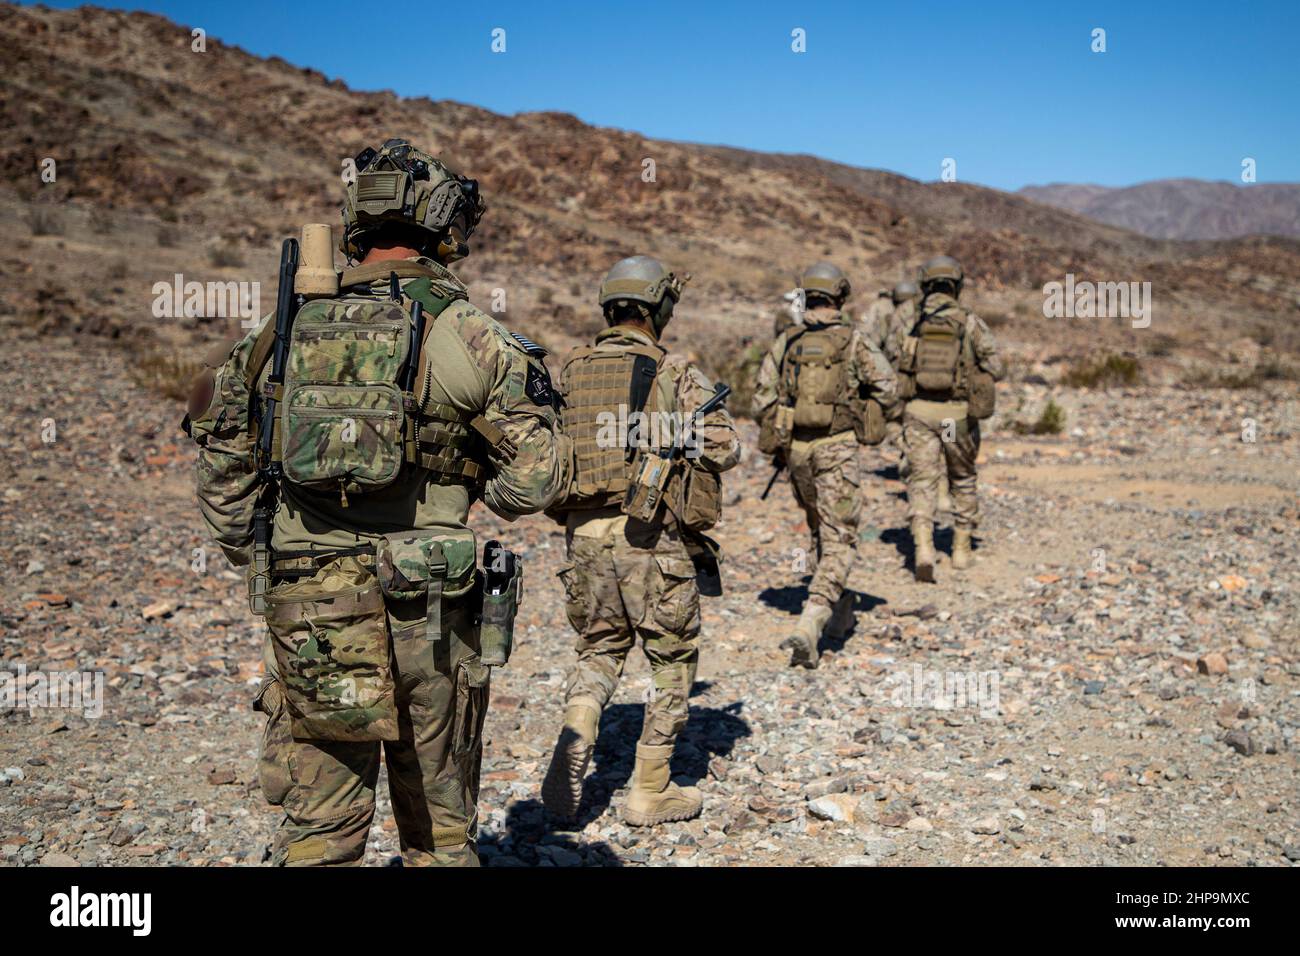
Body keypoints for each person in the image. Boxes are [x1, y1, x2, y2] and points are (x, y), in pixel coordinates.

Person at [186, 139, 567, 865]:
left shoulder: (277, 335)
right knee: (441, 834)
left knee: (320, 829)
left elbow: (224, 481)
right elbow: (535, 484)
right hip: (430, 599)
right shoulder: (473, 336)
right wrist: (461, 478)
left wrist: (272, 558)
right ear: (444, 223)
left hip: (310, 602)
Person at [541, 255, 740, 826]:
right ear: (660, 308)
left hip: (583, 534)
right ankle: (649, 790)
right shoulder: (672, 371)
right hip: (649, 538)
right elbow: (725, 446)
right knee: (671, 657)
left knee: (598, 649)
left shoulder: (571, 371)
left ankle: (575, 733)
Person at [753, 262, 898, 669]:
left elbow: (760, 399)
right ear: (840, 296)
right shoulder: (853, 340)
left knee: (820, 528)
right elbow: (888, 388)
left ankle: (839, 609)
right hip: (836, 450)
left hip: (796, 453)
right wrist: (862, 412)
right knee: (841, 538)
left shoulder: (788, 340)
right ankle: (811, 620)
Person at [890, 255, 1004, 581]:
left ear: (925, 284)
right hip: (953, 420)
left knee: (922, 479)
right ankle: (961, 548)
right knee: (960, 476)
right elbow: (997, 367)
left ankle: (923, 547)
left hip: (919, 415)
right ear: (957, 284)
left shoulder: (909, 319)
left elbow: (892, 357)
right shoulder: (968, 322)